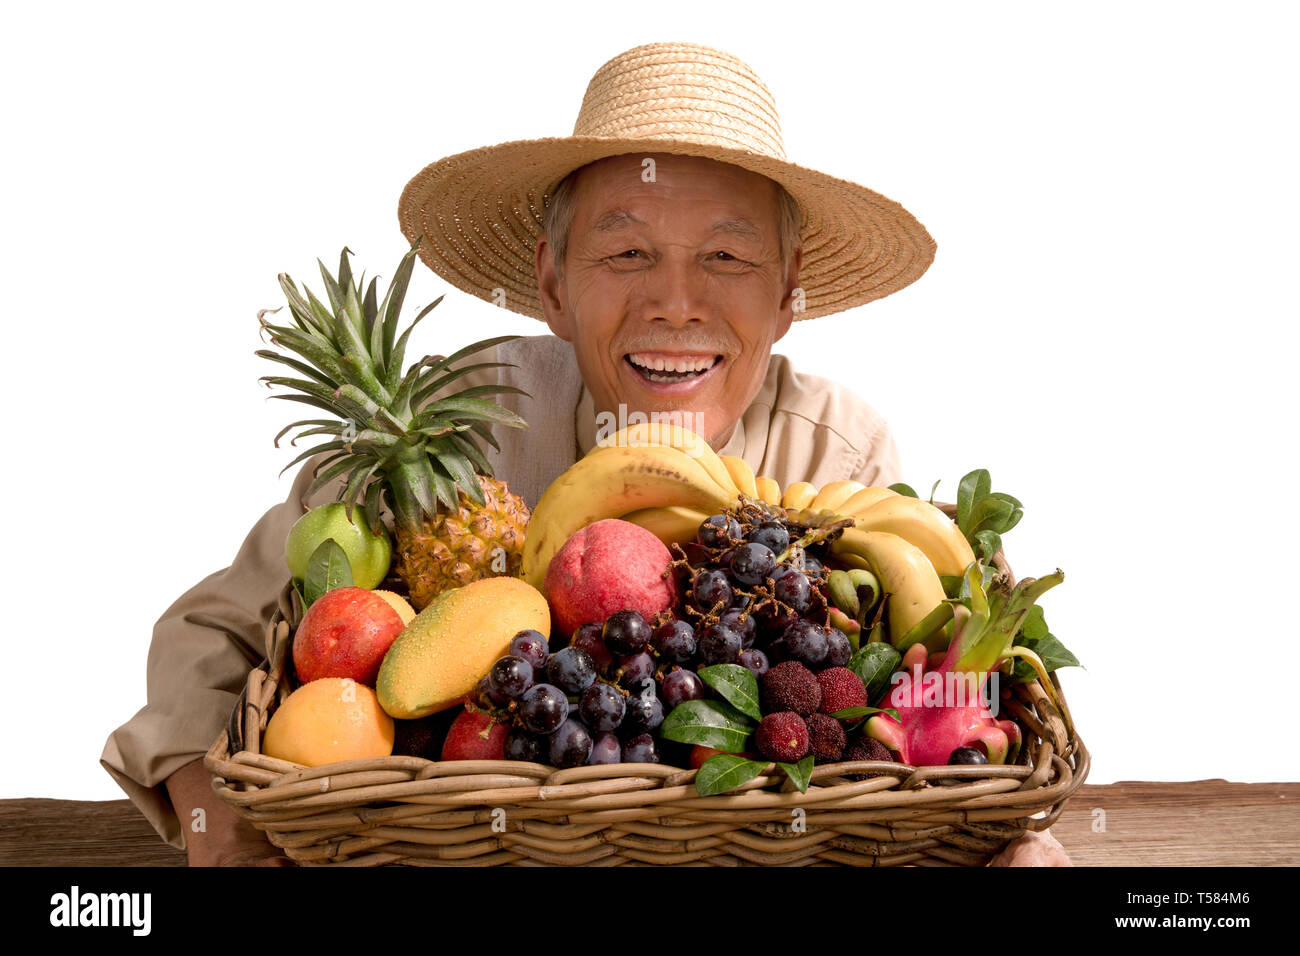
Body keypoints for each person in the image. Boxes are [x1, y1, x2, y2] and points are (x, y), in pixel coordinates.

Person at [101, 41, 1070, 867]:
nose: (677, 303)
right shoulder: (460, 429)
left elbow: (939, 699)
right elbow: (211, 634)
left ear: (788, 295)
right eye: (627, 253)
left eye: (727, 257)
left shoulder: (841, 457)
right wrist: (206, 812)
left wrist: (1012, 835)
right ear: (552, 284)